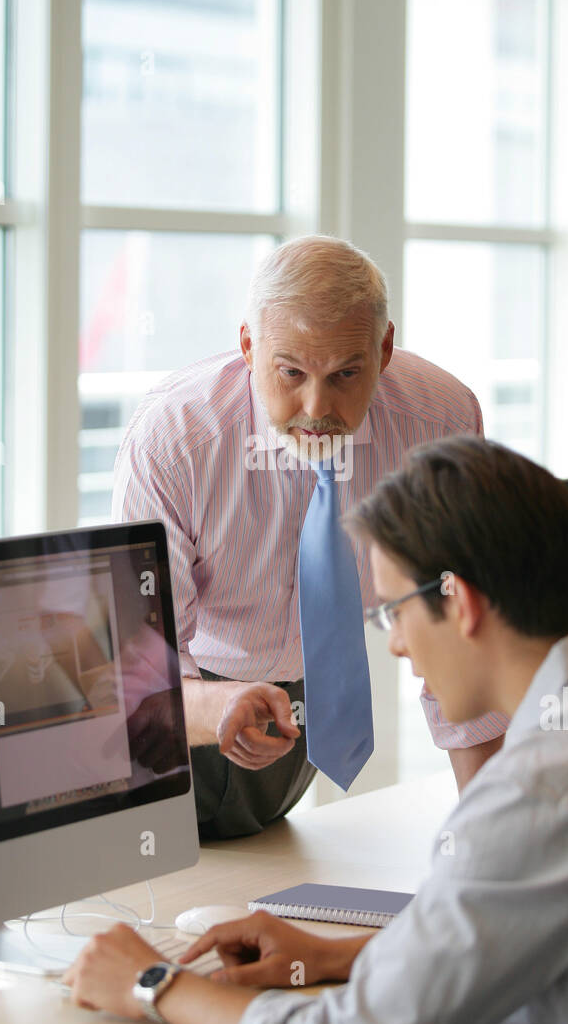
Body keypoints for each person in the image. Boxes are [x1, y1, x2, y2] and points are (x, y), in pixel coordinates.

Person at [65, 436, 568, 1024]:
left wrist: (155, 983)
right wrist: (329, 956)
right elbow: (514, 941)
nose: (395, 643)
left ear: (461, 604)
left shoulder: (539, 791)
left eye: (393, 611)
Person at [112, 235, 506, 838]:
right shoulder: (177, 441)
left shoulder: (442, 424)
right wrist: (215, 706)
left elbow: (461, 638)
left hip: (303, 709)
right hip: (183, 713)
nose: (317, 407)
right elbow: (134, 673)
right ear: (248, 345)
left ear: (385, 349)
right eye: (291, 372)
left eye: (347, 373)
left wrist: (496, 841)